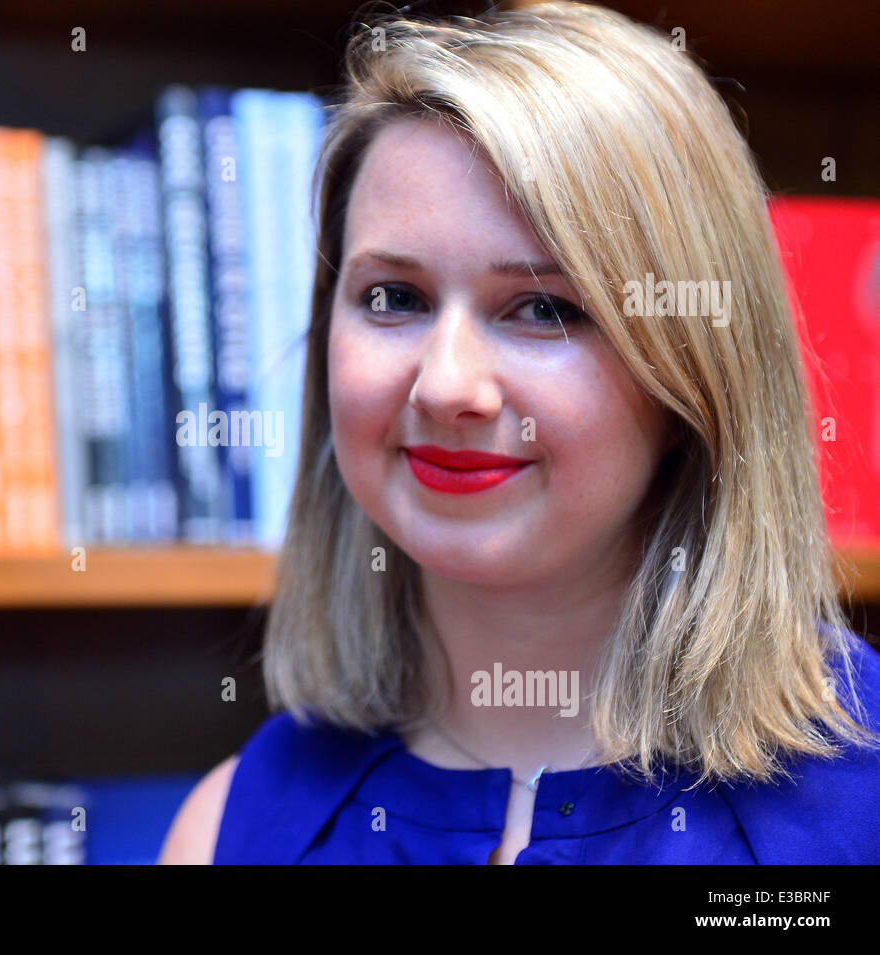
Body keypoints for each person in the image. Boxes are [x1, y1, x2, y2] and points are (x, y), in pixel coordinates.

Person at [159, 0, 880, 864]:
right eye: (394, 297)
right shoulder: (230, 828)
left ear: (693, 370)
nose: (447, 385)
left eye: (543, 308)